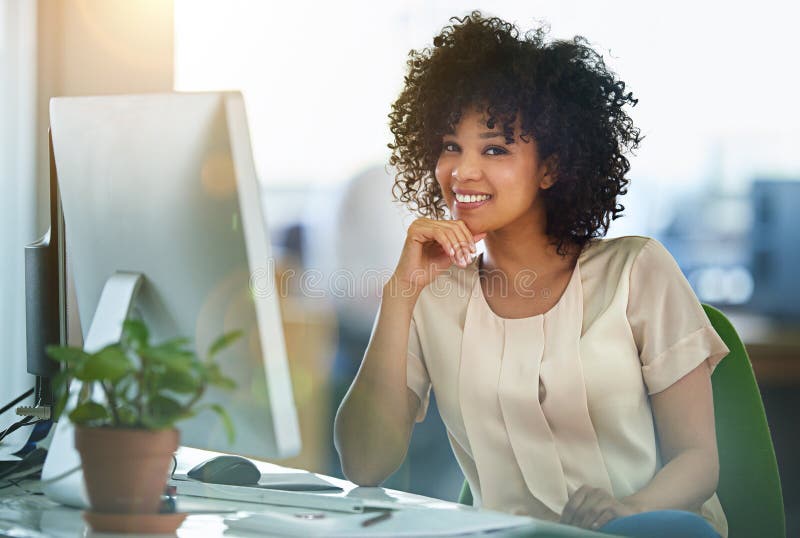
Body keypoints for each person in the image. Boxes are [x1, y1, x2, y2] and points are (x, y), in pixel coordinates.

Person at [334, 12, 728, 538]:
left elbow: (698, 460)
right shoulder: (435, 298)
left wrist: (629, 511)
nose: (463, 171)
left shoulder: (635, 272)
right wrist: (400, 294)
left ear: (551, 167)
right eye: (451, 146)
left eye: (494, 149)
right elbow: (364, 465)